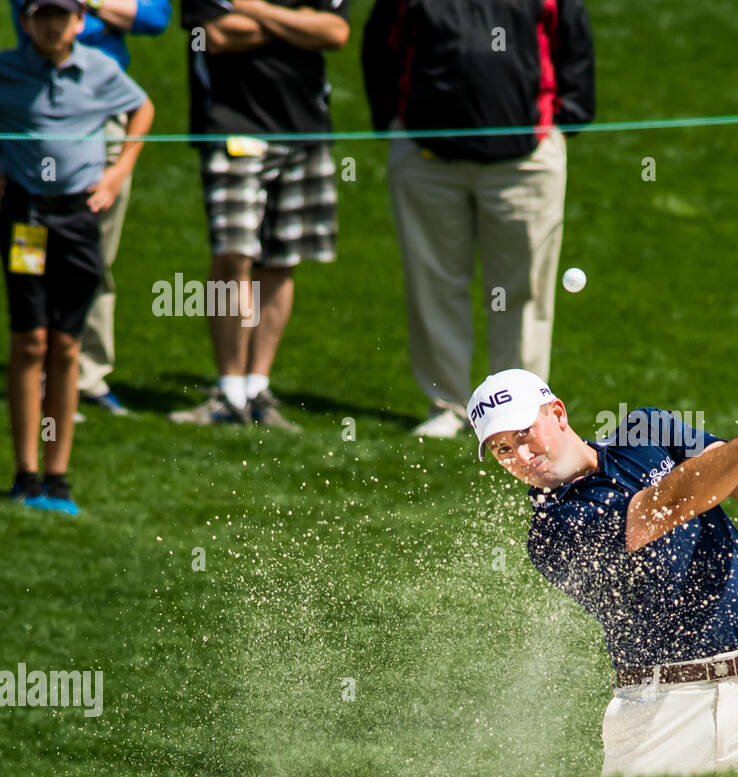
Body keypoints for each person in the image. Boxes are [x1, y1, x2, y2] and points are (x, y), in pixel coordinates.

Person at [469, 368, 738, 777]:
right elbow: (674, 499)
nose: (520, 457)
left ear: (557, 413)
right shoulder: (552, 531)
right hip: (659, 716)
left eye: (523, 435)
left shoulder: (644, 427)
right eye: (503, 450)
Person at [362, 0, 595, 439]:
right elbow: (381, 46)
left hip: (525, 156)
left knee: (523, 288)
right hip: (426, 155)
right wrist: (391, 121)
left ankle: (521, 413)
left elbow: (573, 42)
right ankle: (448, 405)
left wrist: (568, 118)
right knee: (435, 282)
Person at [0, 0, 153, 515]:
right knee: (29, 341)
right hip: (27, 220)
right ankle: (24, 475)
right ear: (25, 22)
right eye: (41, 14)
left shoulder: (101, 70)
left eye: (61, 15)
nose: (50, 25)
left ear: (80, 22)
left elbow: (143, 108)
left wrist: (116, 173)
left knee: (65, 346)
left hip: (76, 221)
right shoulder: (8, 69)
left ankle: (58, 477)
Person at [169, 0, 349, 430]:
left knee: (281, 260)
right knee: (233, 255)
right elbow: (215, 35)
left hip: (303, 127)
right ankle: (228, 390)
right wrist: (296, 23)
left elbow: (334, 33)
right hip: (232, 124)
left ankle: (256, 388)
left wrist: (254, 10)